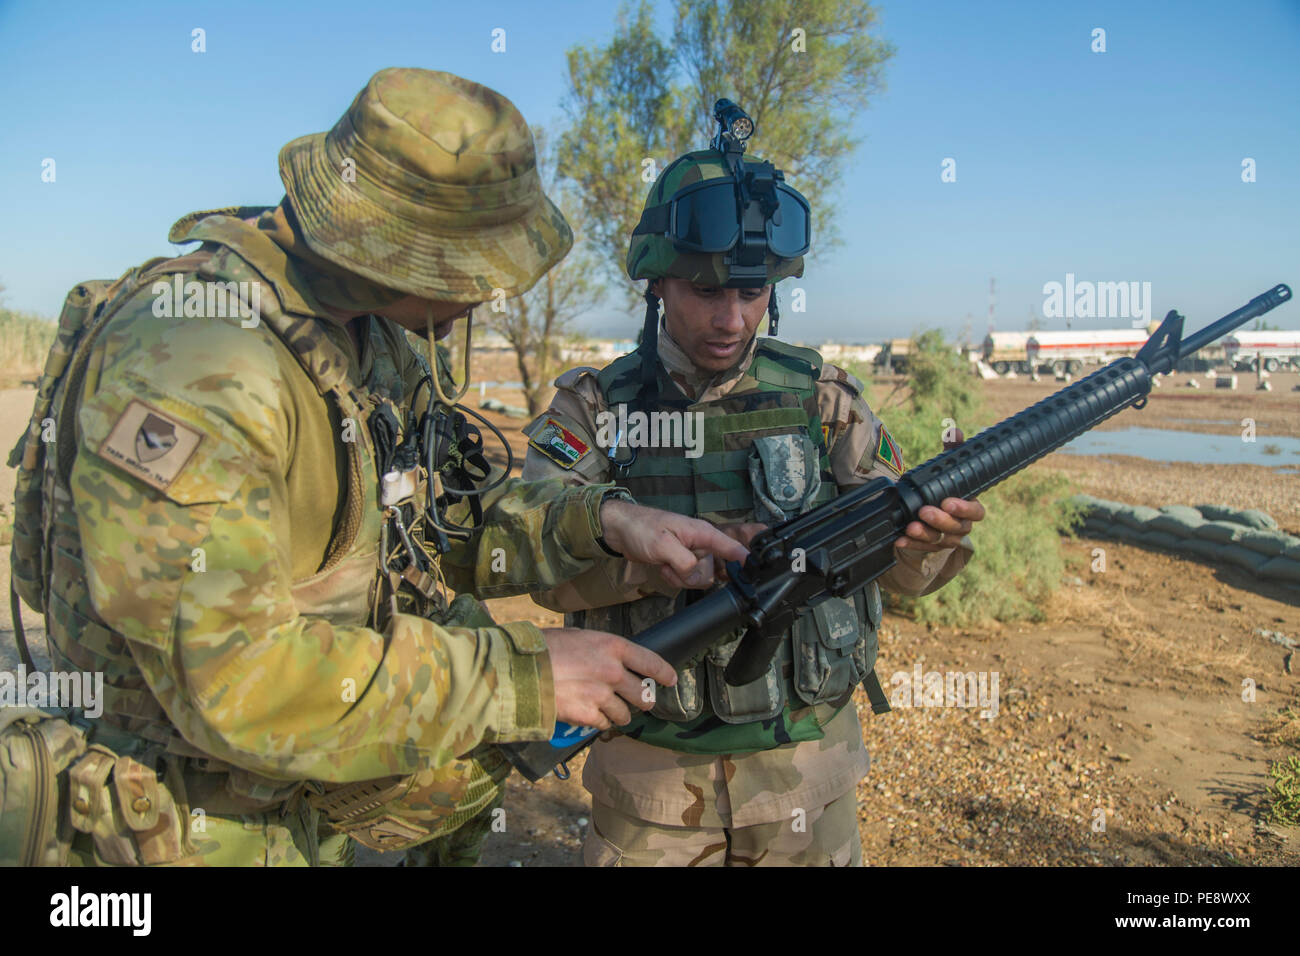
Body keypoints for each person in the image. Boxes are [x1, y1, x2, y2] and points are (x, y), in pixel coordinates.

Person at [2, 68, 747, 867]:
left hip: (301, 793)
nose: (489, 293)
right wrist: (523, 680)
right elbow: (231, 675)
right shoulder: (195, 362)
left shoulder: (374, 333)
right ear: (399, 254)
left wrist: (606, 524)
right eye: (476, 269)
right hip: (179, 823)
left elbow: (442, 519)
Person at [521, 107, 985, 866]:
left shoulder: (823, 399)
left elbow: (904, 577)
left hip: (807, 778)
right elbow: (532, 556)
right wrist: (652, 553)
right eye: (706, 291)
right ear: (658, 282)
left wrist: (929, 544)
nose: (732, 318)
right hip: (653, 790)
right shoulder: (597, 408)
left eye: (754, 292)